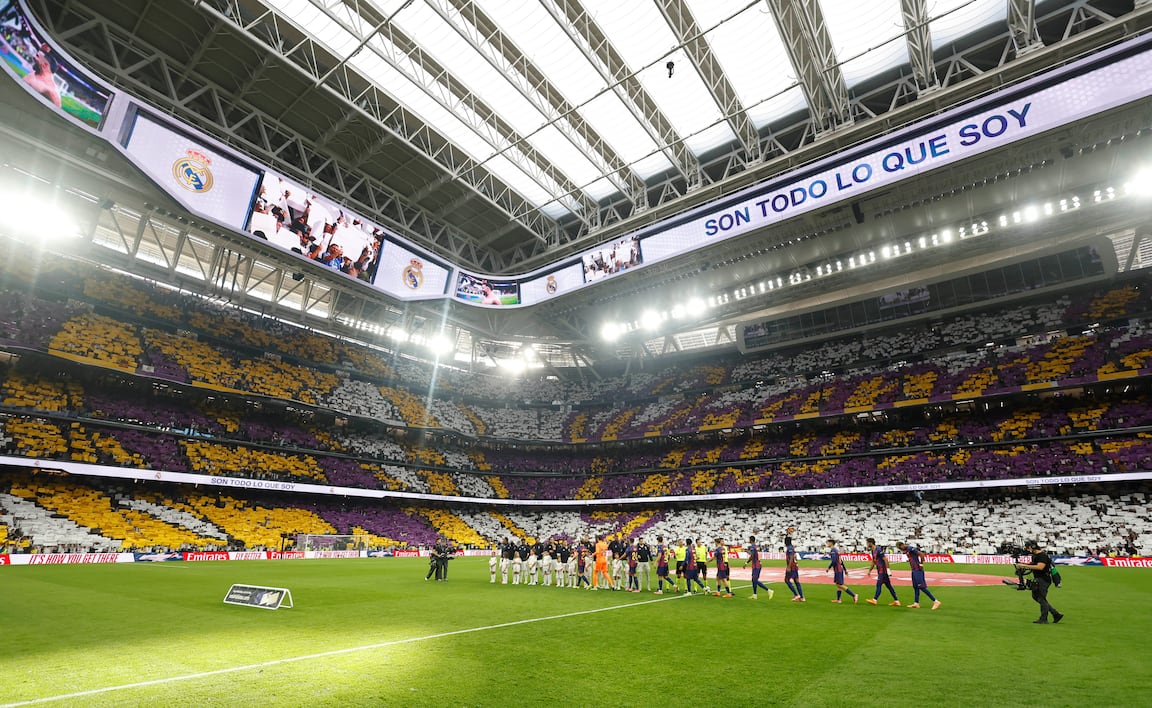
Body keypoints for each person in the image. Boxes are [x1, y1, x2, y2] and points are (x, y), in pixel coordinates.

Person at [1016, 540, 1063, 624]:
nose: (1028, 549)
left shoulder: (1042, 556)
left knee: (1041, 598)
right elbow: (1033, 564)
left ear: (1032, 547)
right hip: (1039, 579)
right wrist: (1023, 564)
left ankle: (1044, 618)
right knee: (1036, 597)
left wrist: (1023, 565)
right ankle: (1056, 614)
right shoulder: (1036, 555)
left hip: (1043, 579)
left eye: (1028, 547)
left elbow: (1040, 567)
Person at [896, 542, 941, 610]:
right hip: (914, 570)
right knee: (915, 587)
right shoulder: (907, 550)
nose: (901, 549)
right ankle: (916, 603)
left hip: (918, 570)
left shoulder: (910, 548)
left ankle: (935, 601)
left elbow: (921, 554)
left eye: (900, 548)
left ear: (902, 545)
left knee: (921, 587)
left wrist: (921, 564)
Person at [865, 538, 901, 606]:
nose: (867, 544)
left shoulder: (878, 550)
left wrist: (888, 570)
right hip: (880, 570)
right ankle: (897, 601)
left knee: (879, 584)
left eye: (867, 543)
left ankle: (875, 599)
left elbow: (885, 559)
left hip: (882, 570)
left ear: (871, 543)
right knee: (889, 586)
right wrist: (870, 570)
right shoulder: (873, 551)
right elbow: (873, 561)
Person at [825, 539, 858, 604]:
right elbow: (841, 561)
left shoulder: (833, 550)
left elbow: (834, 561)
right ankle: (838, 599)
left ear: (831, 543)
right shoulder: (835, 550)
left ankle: (854, 595)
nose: (827, 544)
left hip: (838, 570)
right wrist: (845, 570)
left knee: (840, 585)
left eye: (828, 543)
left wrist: (828, 568)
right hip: (839, 569)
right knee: (838, 585)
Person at [746, 535, 774, 600]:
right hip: (756, 565)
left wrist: (746, 562)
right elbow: (753, 555)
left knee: (754, 580)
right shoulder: (754, 546)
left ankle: (769, 590)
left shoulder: (752, 547)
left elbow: (752, 556)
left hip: (756, 565)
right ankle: (755, 595)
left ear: (751, 540)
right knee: (753, 580)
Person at [784, 528, 805, 602]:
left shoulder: (789, 548)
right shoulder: (791, 547)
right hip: (795, 566)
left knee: (786, 580)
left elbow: (791, 557)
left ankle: (796, 595)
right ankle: (802, 597)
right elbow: (788, 539)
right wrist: (788, 533)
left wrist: (789, 567)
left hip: (792, 567)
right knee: (796, 581)